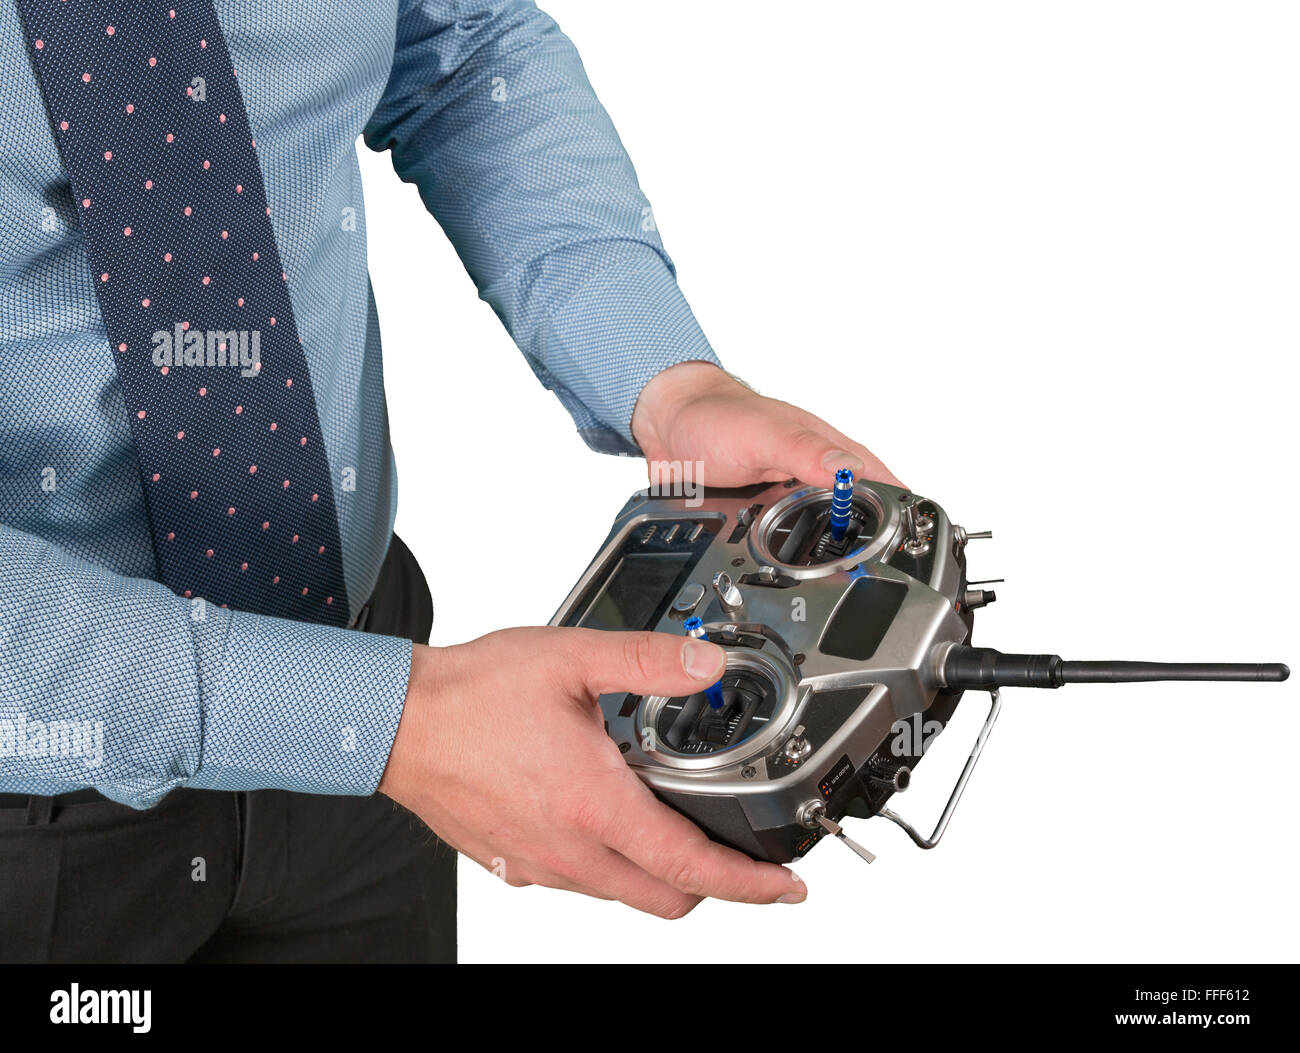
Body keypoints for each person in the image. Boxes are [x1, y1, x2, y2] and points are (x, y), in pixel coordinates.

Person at [0, 0, 899, 962]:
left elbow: (462, 43)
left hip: (377, 695)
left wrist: (669, 383)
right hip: (40, 807)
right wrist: (392, 723)